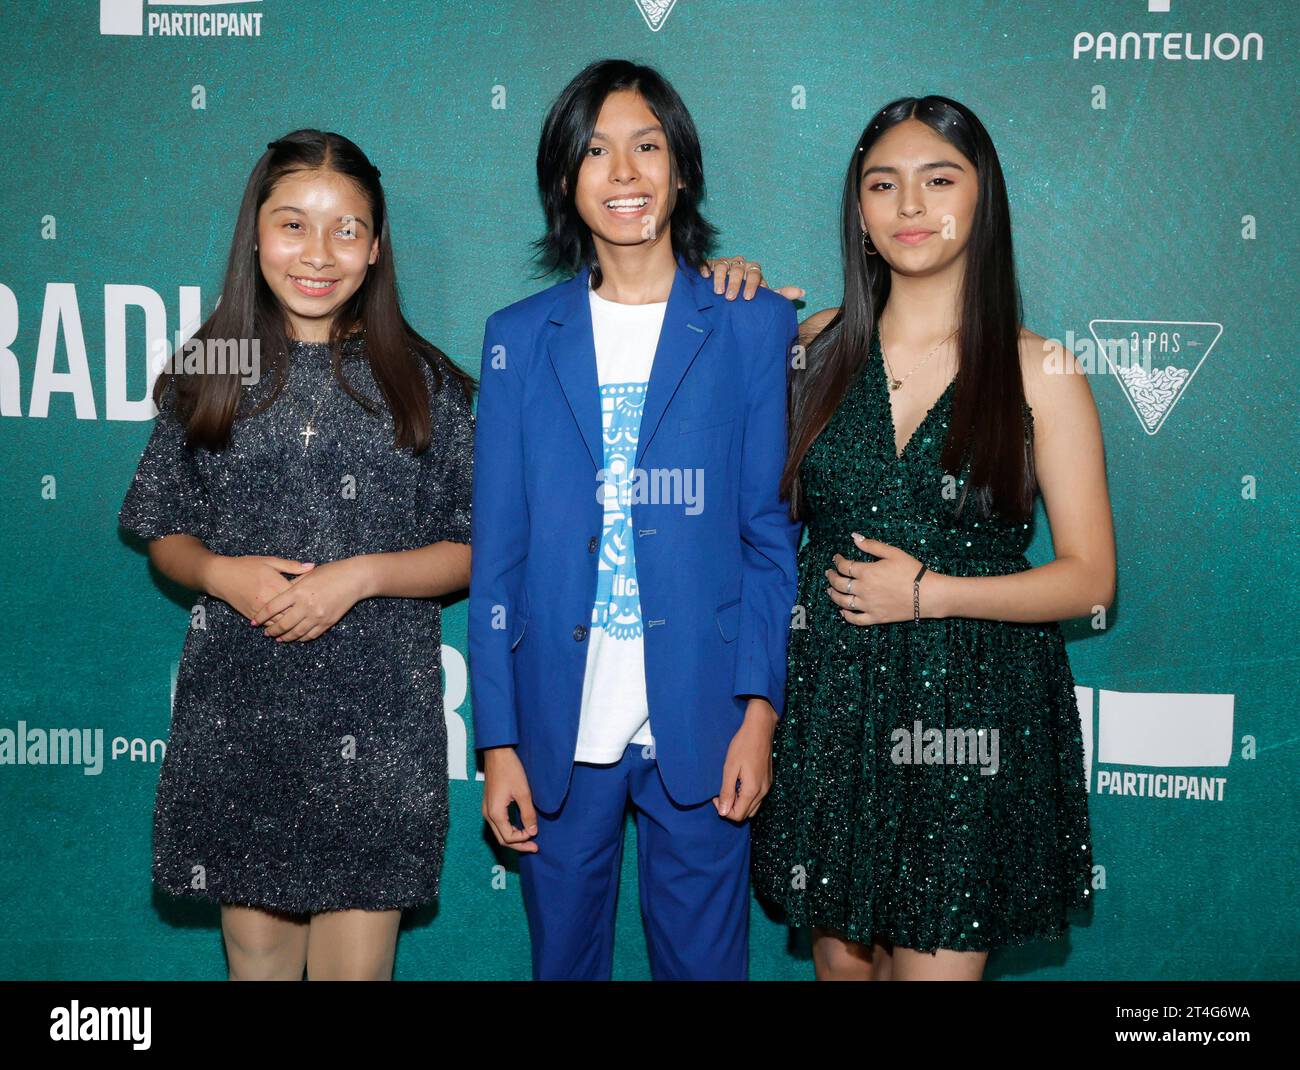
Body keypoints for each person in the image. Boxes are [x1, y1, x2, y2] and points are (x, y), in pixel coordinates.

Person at [718, 96, 1113, 980]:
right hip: (835, 705)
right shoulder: (807, 346)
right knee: (845, 970)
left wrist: (932, 592)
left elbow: (1090, 581)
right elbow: (750, 522)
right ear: (859, 212)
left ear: (983, 201)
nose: (910, 206)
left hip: (971, 710)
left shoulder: (1040, 369)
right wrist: (722, 290)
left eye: (939, 180)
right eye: (883, 184)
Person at [467, 59, 800, 980]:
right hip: (554, 724)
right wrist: (496, 742)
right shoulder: (517, 338)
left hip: (705, 718)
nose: (624, 174)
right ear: (564, 183)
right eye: (596, 152)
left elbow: (769, 540)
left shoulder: (750, 323)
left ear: (681, 169)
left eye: (646, 147)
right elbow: (496, 555)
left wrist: (758, 714)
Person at [118, 129, 475, 980]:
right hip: (242, 711)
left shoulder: (427, 383)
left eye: (346, 229)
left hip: (378, 719)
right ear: (255, 234)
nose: (318, 254)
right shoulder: (213, 368)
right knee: (259, 961)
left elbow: (476, 546)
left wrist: (360, 576)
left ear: (377, 247)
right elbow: (164, 526)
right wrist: (217, 573)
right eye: (293, 224)